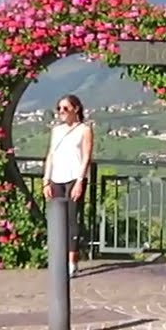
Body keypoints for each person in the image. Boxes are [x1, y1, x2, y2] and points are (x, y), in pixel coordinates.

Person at [42, 94, 93, 276]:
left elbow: (86, 156)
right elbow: (51, 155)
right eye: (59, 108)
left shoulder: (84, 130)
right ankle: (58, 258)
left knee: (72, 219)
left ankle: (72, 261)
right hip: (56, 177)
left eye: (65, 108)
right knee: (57, 219)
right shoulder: (56, 131)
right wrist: (46, 180)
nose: (61, 112)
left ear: (75, 109)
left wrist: (80, 181)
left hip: (74, 177)